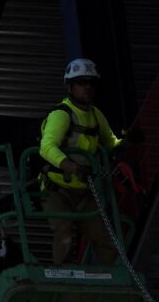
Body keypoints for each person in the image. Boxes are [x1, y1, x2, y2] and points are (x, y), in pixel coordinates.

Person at [38, 58, 125, 264]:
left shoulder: (96, 115)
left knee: (105, 242)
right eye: (81, 82)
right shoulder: (62, 114)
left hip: (84, 191)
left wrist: (126, 142)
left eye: (90, 83)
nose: (87, 87)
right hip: (57, 189)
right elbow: (47, 147)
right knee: (64, 232)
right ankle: (61, 281)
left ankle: (106, 291)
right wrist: (73, 167)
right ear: (70, 86)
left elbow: (111, 141)